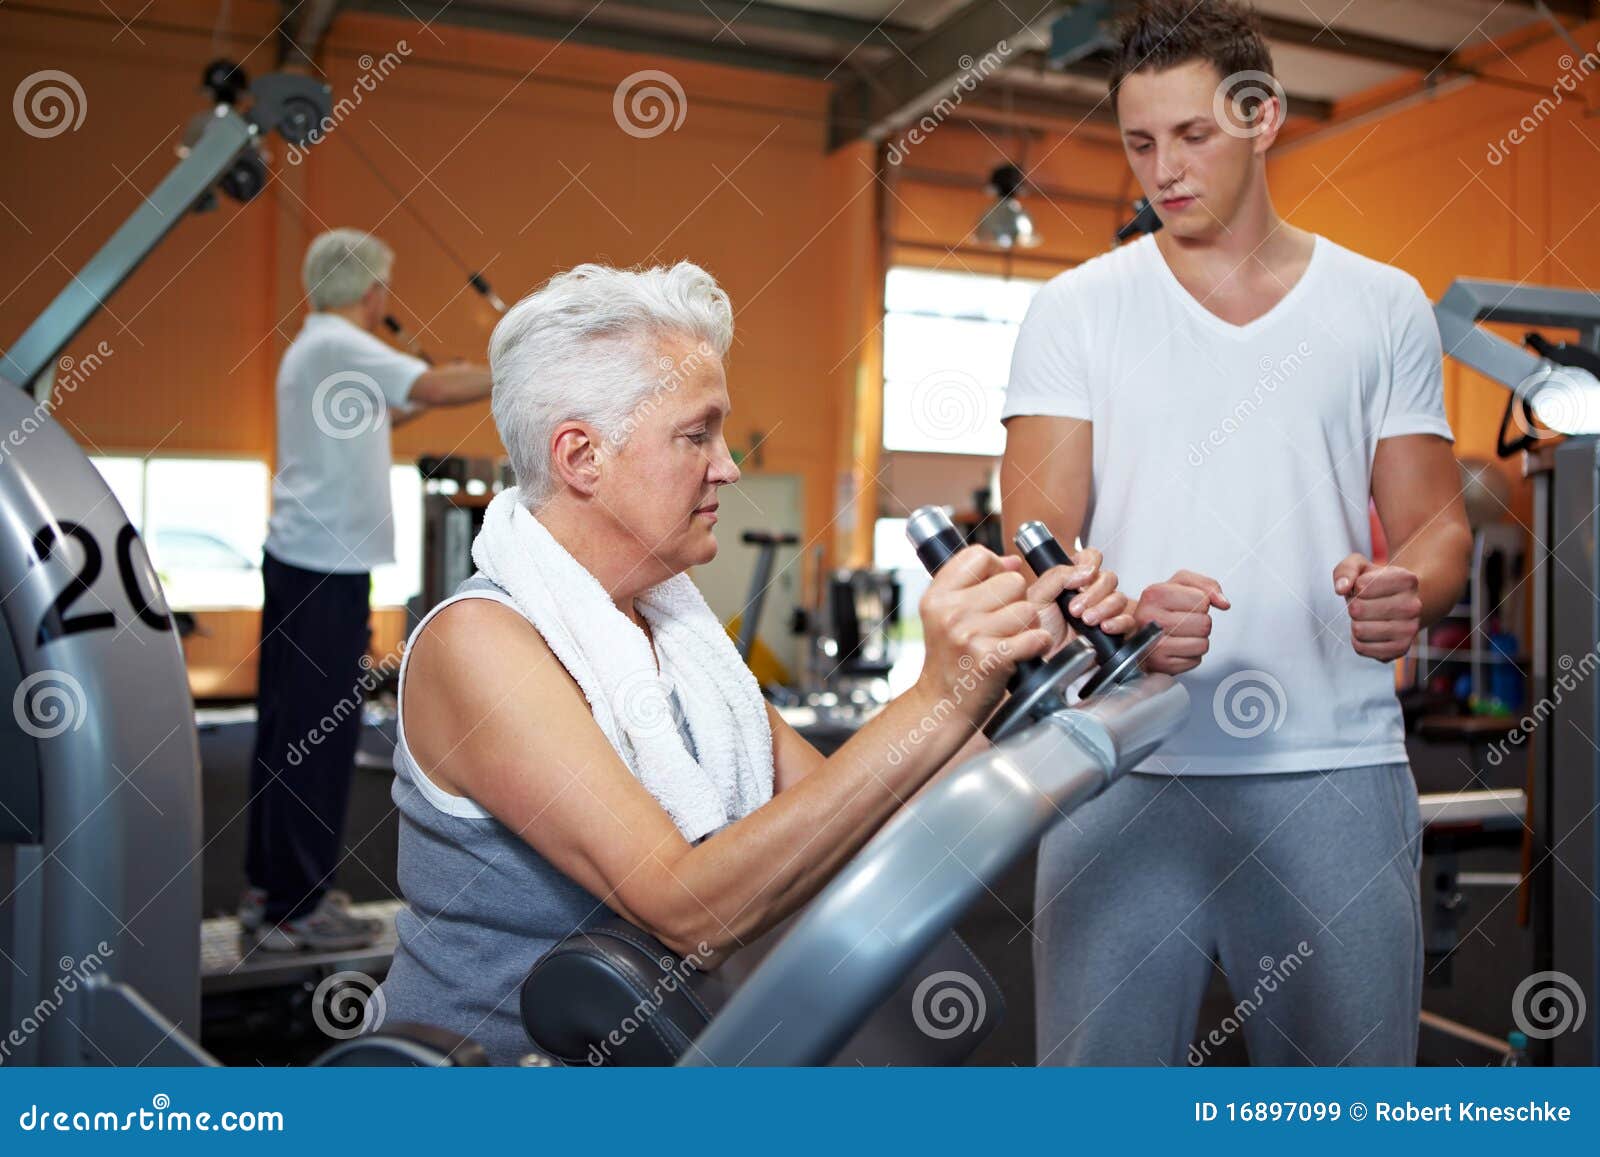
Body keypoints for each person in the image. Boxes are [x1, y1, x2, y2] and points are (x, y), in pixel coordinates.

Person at [372, 261, 1135, 1064]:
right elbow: (691, 908)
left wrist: (1030, 668)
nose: (729, 464)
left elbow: (870, 824)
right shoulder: (481, 643)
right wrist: (936, 694)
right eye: (697, 433)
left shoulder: (675, 636)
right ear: (581, 456)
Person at [999, 0, 1472, 1066]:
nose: (1161, 169)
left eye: (1192, 135)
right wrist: (1112, 613)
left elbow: (1437, 527)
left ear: (1261, 117)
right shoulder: (1075, 310)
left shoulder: (1381, 304)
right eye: (1138, 142)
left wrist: (1412, 586)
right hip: (1115, 763)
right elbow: (1031, 537)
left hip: (1333, 769)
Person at [242, 229, 495, 952]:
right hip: (325, 567)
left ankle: (272, 889)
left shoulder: (314, 349)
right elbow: (434, 387)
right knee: (319, 738)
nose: (386, 298)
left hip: (303, 561)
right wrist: (511, 365)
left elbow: (397, 406)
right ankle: (301, 905)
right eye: (382, 286)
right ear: (368, 290)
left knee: (286, 728)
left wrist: (439, 377)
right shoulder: (336, 342)